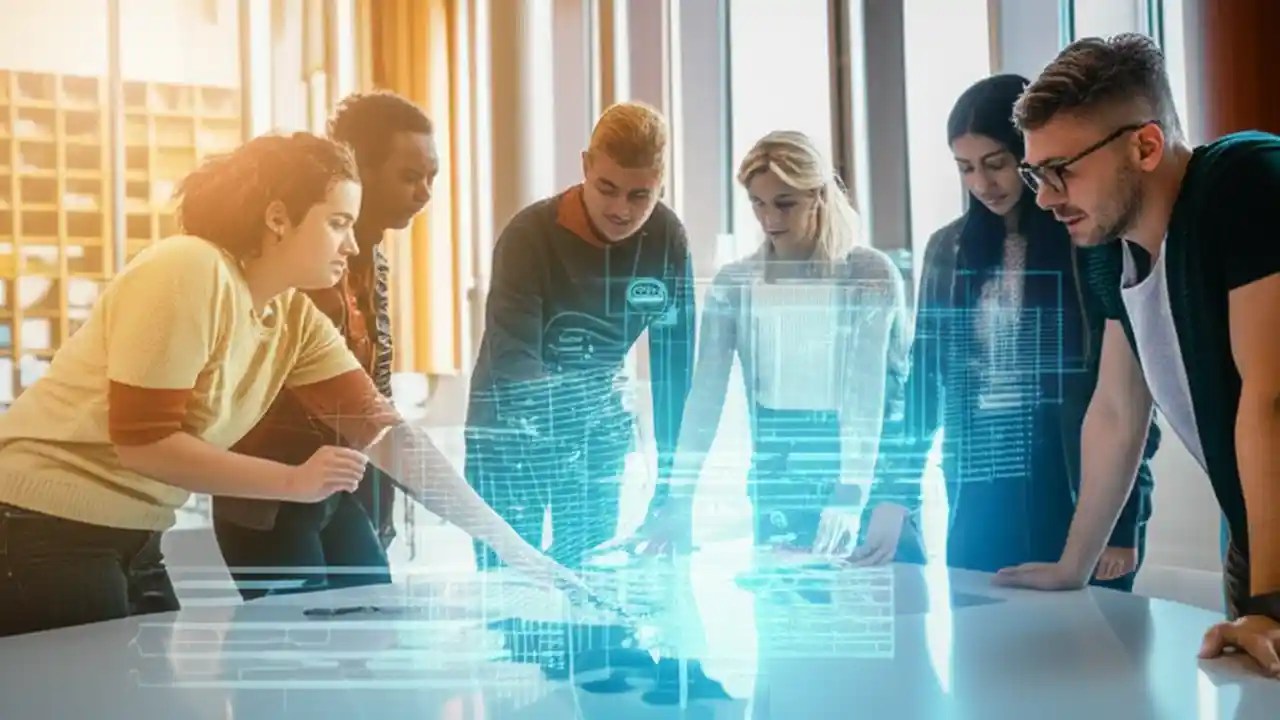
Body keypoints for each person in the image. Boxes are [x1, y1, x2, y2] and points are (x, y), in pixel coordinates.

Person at [0, 132, 579, 637]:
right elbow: (141, 441)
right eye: (338, 223)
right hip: (39, 530)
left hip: (135, 534)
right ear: (278, 218)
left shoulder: (291, 319)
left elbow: (390, 439)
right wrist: (292, 481)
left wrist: (514, 549)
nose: (351, 245)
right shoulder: (188, 269)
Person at [988, 34, 1280, 674]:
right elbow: (1119, 410)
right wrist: (1075, 565)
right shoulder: (1106, 247)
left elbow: (1271, 398)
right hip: (1254, 538)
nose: (1044, 196)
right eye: (1037, 172)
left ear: (1145, 146)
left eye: (1061, 170)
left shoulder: (1244, 181)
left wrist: (1268, 600)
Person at [850, 75, 1158, 592]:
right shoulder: (948, 249)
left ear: (1028, 155)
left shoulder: (1086, 240)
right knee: (982, 649)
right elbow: (925, 383)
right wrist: (893, 491)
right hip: (981, 484)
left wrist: (1127, 519)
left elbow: (1127, 395)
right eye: (966, 168)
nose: (982, 184)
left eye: (996, 164)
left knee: (1088, 654)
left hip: (1073, 475)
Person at [634, 130, 909, 556]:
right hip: (776, 480)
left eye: (785, 203)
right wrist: (678, 499)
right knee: (782, 615)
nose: (770, 219)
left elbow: (868, 391)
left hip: (867, 475)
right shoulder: (735, 284)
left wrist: (851, 495)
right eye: (758, 204)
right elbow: (704, 398)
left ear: (818, 196)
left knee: (880, 612)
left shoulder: (869, 273)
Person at [212, 91, 434, 600]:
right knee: (294, 657)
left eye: (431, 177)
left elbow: (372, 389)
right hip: (269, 497)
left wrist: (380, 497)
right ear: (358, 167)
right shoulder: (294, 263)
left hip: (334, 490)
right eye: (409, 176)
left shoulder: (370, 257)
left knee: (371, 632)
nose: (424, 193)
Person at [465, 101, 695, 571]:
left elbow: (676, 371)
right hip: (508, 429)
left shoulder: (667, 238)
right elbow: (515, 358)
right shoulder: (529, 235)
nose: (620, 210)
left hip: (596, 427)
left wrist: (674, 487)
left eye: (640, 195)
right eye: (607, 188)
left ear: (661, 185)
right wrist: (568, 438)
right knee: (513, 588)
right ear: (585, 165)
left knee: (587, 583)